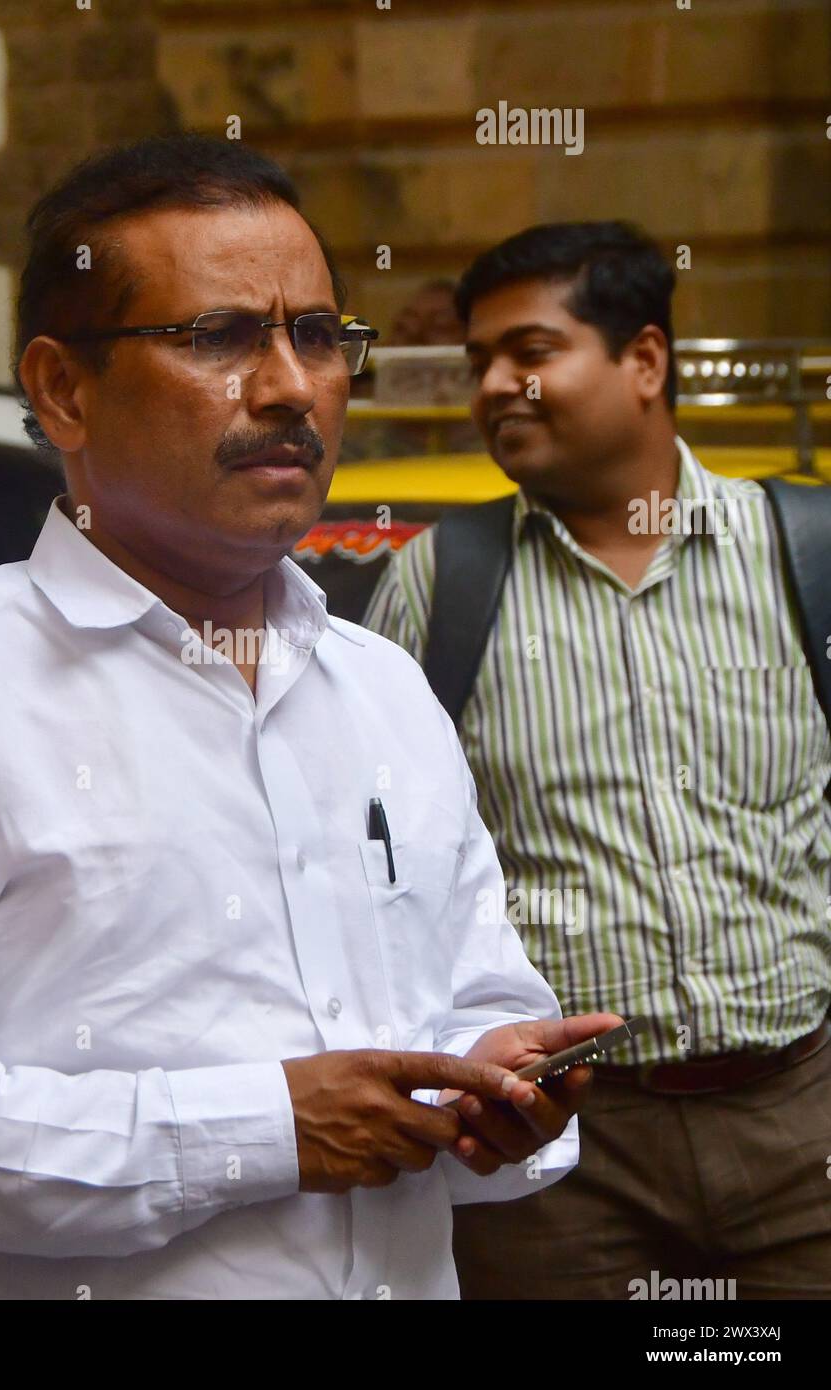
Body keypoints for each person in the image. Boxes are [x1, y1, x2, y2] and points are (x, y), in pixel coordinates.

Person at [0, 135, 617, 1301]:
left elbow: (479, 1002)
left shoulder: (380, 687)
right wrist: (259, 1129)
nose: (289, 386)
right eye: (217, 338)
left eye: (316, 335)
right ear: (62, 389)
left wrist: (494, 1099)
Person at [363, 221, 831, 1299]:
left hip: (798, 1131)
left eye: (528, 351)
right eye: (480, 361)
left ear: (646, 361)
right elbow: (376, 865)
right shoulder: (440, 584)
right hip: (558, 1155)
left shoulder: (798, 555)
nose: (493, 386)